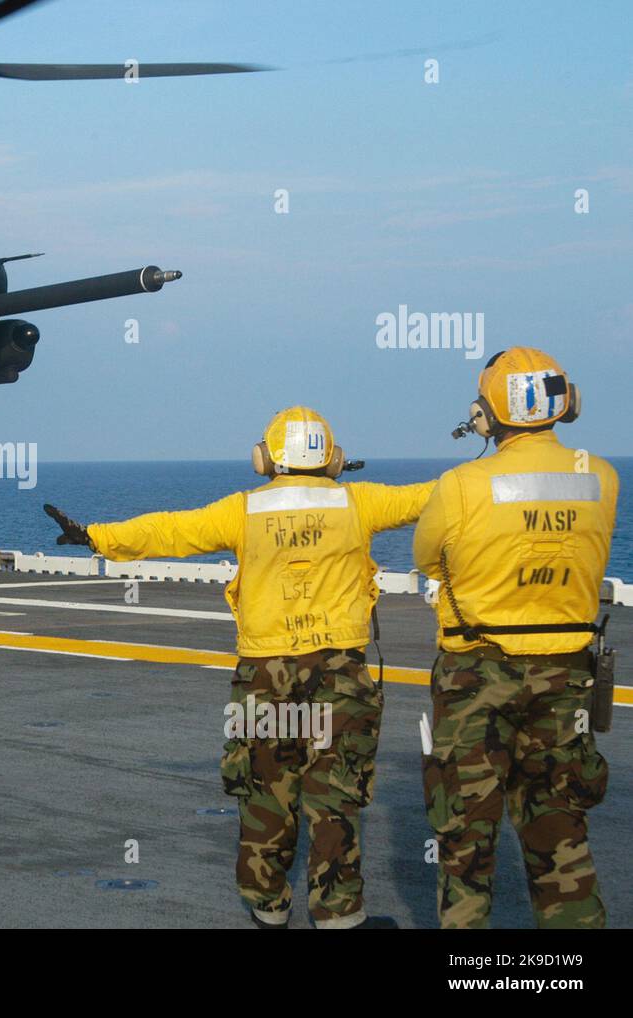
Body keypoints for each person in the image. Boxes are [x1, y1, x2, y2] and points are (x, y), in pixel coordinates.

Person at [46, 407, 434, 929]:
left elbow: (170, 531)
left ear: (266, 458)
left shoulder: (244, 510)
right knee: (335, 795)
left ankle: (269, 908)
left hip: (264, 677)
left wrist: (98, 536)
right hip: (339, 673)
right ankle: (340, 915)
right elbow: (435, 498)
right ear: (333, 458)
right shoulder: (360, 502)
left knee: (265, 792)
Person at [413, 347, 618, 929]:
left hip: (477, 675)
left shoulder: (460, 485)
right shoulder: (600, 476)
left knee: (465, 840)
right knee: (560, 831)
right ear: (566, 405)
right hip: (566, 676)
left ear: (485, 416)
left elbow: (428, 557)